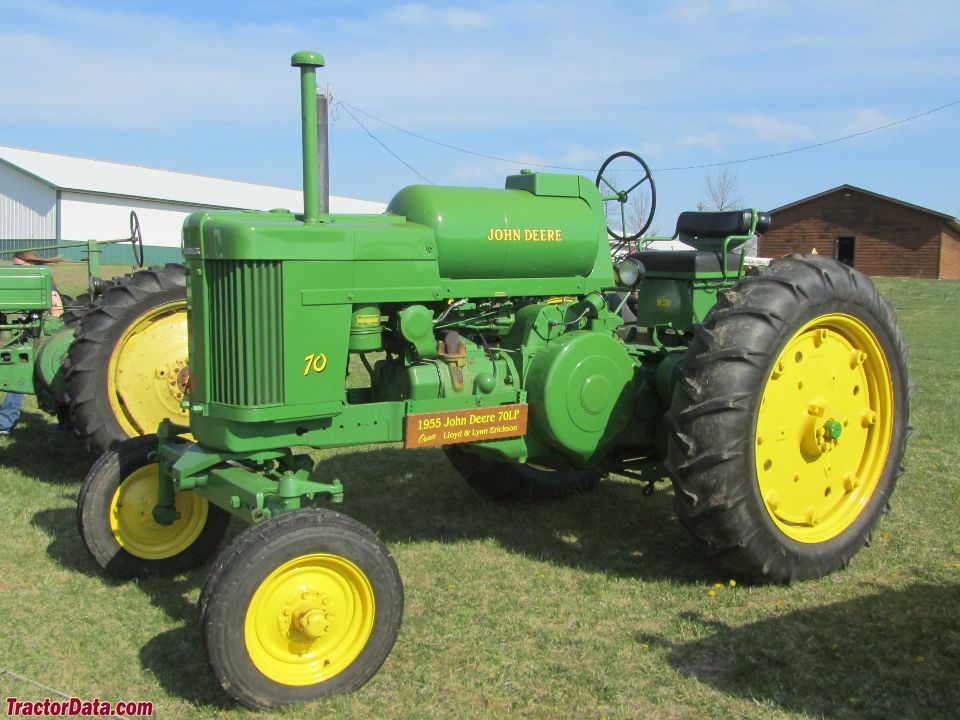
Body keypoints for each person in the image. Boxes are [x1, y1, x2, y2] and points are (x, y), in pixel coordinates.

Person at [0, 251, 65, 435]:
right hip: (30, 333)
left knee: (21, 377)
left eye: (19, 266)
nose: (15, 270)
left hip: (41, 337)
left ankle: (5, 423)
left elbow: (56, 310)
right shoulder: (29, 284)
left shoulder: (45, 284)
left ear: (31, 265)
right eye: (14, 266)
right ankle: (65, 423)